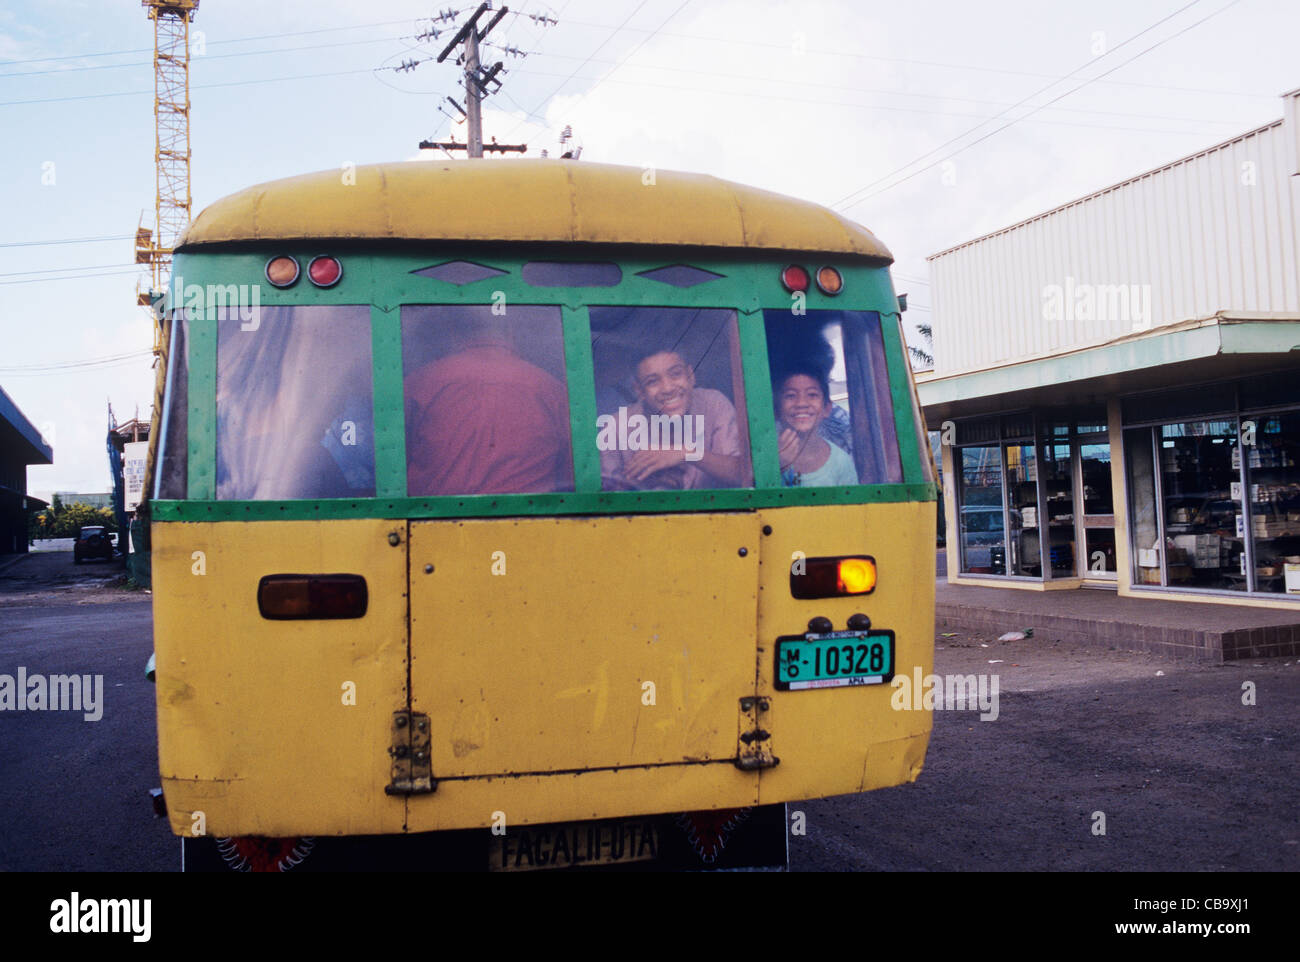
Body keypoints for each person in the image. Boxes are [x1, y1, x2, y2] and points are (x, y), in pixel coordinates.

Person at [406, 313, 572, 495]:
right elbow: (571, 475)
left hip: (431, 517)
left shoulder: (420, 383)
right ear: (511, 332)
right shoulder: (551, 388)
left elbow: (390, 460)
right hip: (534, 517)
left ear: (453, 334)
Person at [598, 349, 747, 490]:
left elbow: (743, 476)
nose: (668, 389)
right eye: (652, 381)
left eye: (675, 374)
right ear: (639, 391)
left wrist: (687, 454)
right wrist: (638, 483)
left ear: (691, 376)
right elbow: (604, 498)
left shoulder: (714, 404)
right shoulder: (617, 427)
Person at [774, 367, 858, 487]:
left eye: (812, 395)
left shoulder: (840, 463)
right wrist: (776, 465)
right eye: (791, 395)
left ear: (827, 409)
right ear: (776, 410)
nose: (801, 403)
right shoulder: (765, 454)